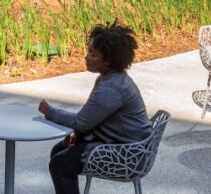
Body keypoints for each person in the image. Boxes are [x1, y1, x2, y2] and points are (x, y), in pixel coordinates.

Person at [39, 24, 154, 194]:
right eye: (88, 52)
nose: (86, 57)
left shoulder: (112, 88)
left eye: (93, 54)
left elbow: (81, 122)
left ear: (109, 60)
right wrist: (77, 135)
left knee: (60, 165)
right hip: (124, 143)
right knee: (59, 151)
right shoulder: (110, 78)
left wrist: (49, 111)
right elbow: (92, 119)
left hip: (129, 154)